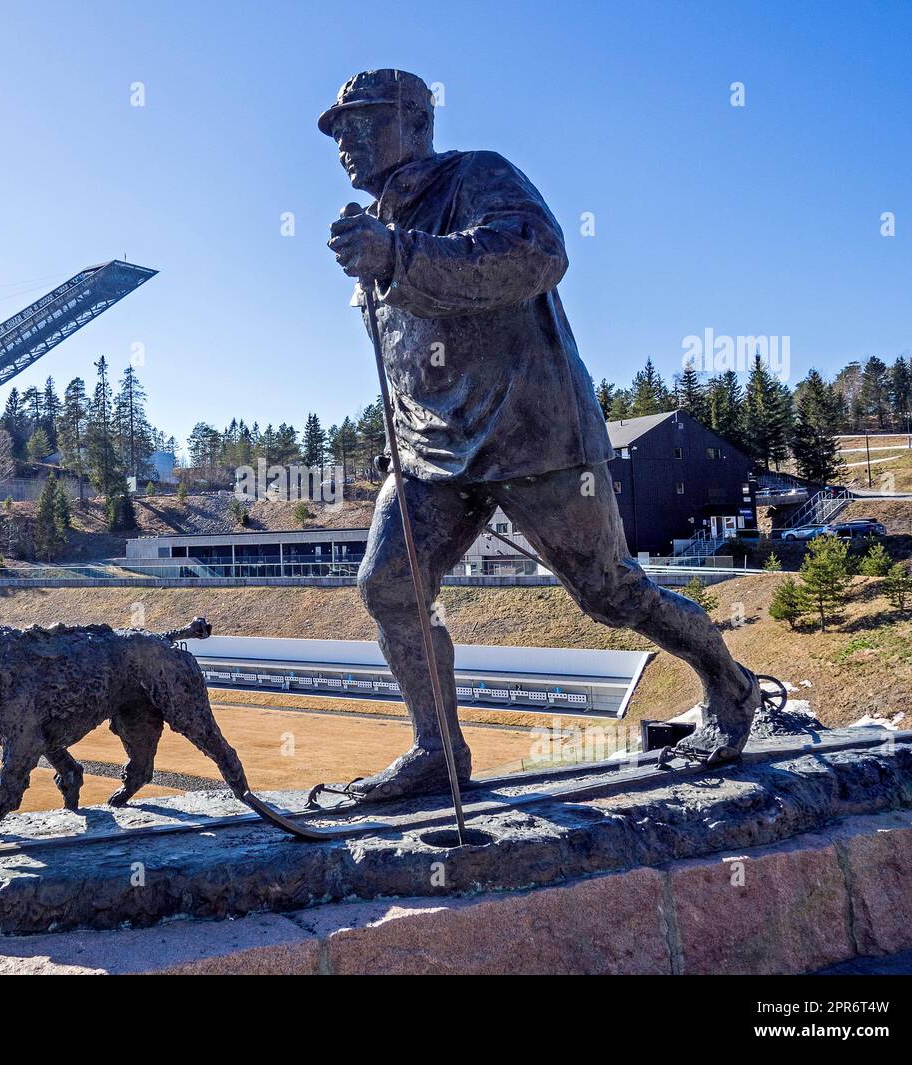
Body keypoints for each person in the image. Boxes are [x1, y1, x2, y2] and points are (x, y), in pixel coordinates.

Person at [320, 69, 759, 801]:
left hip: (532, 434)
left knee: (611, 592)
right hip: (435, 450)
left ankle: (730, 683)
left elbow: (535, 253)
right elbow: (406, 360)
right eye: (339, 133)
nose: (346, 144)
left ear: (416, 122)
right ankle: (438, 750)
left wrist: (396, 254)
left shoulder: (478, 177)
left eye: (362, 124)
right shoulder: (369, 239)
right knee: (388, 584)